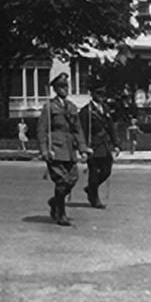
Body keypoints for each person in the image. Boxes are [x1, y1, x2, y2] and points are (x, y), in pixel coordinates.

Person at [37, 73, 90, 226]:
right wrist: (44, 150)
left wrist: (83, 149)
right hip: (55, 149)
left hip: (70, 149)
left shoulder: (72, 107)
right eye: (61, 87)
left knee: (73, 179)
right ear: (55, 89)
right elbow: (41, 130)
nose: (65, 89)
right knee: (62, 181)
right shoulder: (49, 107)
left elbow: (77, 129)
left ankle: (55, 202)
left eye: (67, 86)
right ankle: (61, 213)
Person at [79, 85, 120, 209]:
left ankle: (90, 188)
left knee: (107, 171)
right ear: (92, 94)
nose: (101, 96)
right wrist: (83, 148)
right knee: (94, 173)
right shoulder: (86, 111)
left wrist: (116, 144)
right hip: (93, 146)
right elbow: (82, 131)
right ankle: (94, 198)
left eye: (103, 94)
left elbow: (111, 128)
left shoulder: (105, 109)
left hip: (105, 145)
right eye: (98, 93)